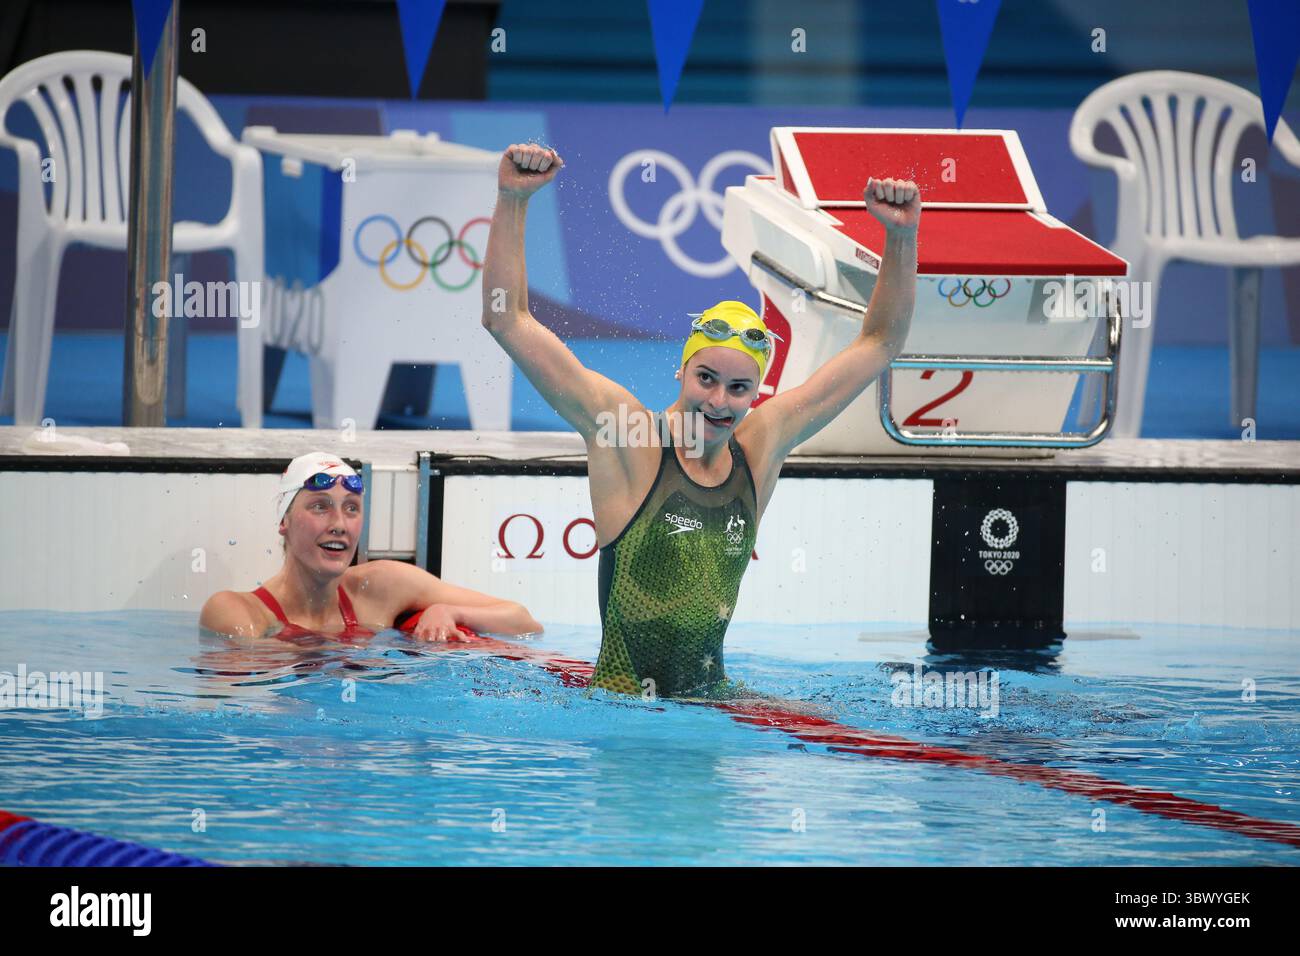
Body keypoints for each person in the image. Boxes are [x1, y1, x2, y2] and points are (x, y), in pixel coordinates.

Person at [482, 143, 919, 698]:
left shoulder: (762, 442)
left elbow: (881, 342)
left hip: (714, 708)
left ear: (755, 393)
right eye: (705, 379)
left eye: (739, 389)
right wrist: (512, 199)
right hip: (623, 719)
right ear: (681, 369)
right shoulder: (631, 439)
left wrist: (901, 240)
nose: (718, 401)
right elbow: (507, 320)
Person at [199, 452, 542, 641]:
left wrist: (451, 612)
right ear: (284, 521)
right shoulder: (236, 612)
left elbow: (524, 621)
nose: (339, 524)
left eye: (351, 508)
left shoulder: (381, 586)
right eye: (320, 506)